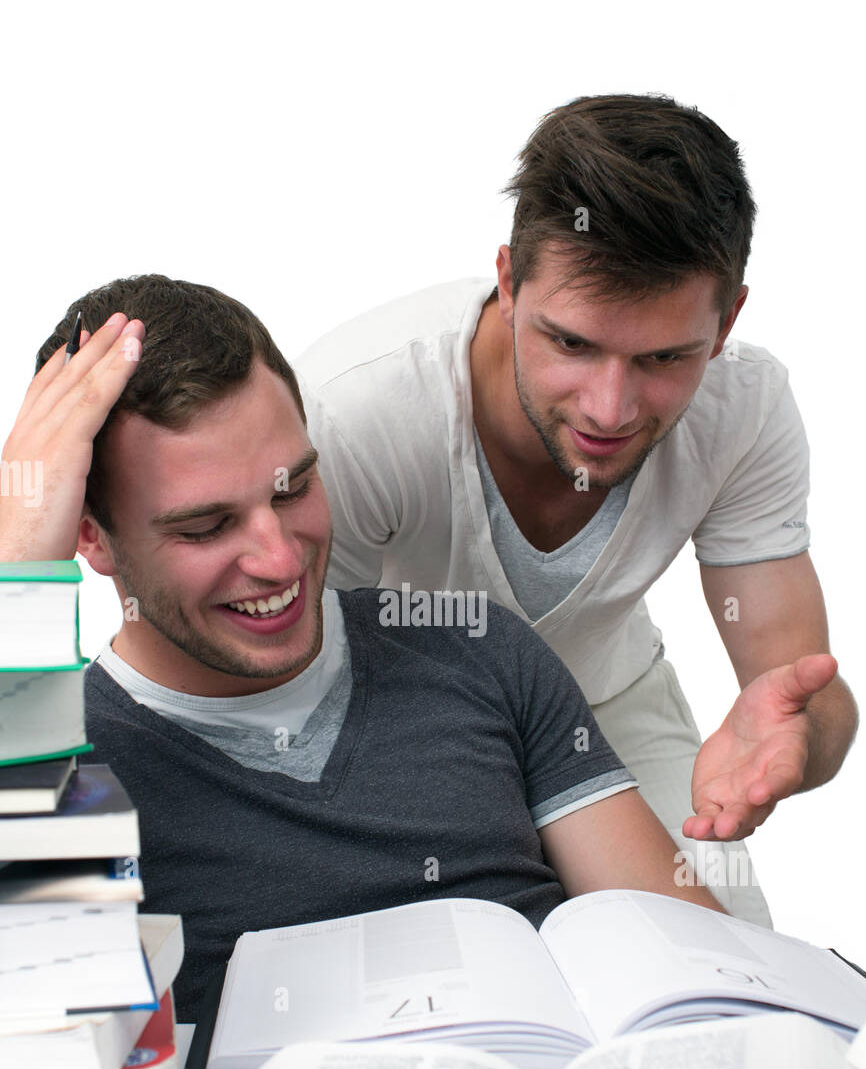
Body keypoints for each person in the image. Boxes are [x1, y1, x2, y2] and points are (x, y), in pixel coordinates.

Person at [1, 276, 726, 1024]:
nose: (280, 561)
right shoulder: (53, 755)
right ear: (89, 535)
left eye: (292, 490)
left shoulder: (476, 651)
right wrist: (18, 567)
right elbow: (48, 1052)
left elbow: (694, 968)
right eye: (205, 527)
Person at [294, 93, 858, 928]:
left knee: (730, 958)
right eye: (572, 344)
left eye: (665, 356)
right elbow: (293, 691)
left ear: (728, 319)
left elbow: (802, 688)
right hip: (400, 718)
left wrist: (798, 742)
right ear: (509, 283)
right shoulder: (354, 414)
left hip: (608, 701)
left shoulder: (748, 408)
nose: (610, 407)